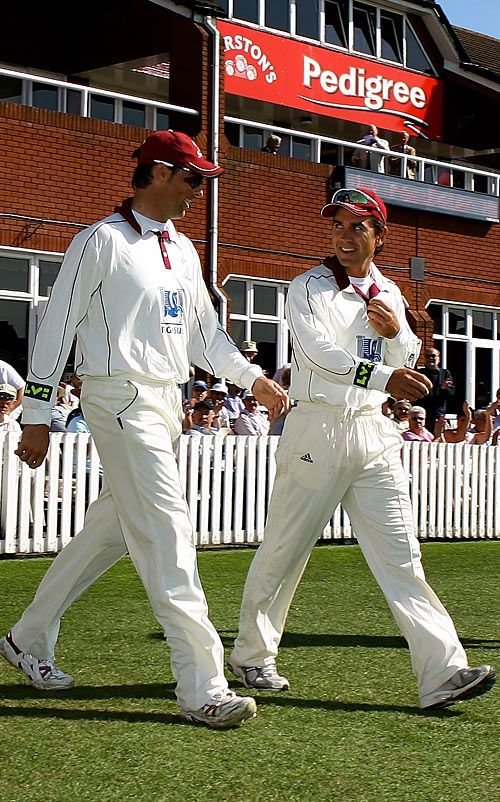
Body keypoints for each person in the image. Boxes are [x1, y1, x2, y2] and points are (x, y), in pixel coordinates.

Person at [0, 129, 287, 730]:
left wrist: (251, 379)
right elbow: (54, 330)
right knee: (168, 537)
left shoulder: (182, 249)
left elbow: (207, 336)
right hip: (116, 397)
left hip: (165, 402)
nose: (199, 190)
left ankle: (26, 637)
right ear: (158, 172)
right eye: (193, 179)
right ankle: (202, 684)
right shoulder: (99, 241)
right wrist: (36, 414)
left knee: (108, 532)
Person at [229, 186, 495, 710]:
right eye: (338, 226)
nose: (345, 237)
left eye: (358, 227)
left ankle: (442, 672)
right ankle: (252, 654)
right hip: (317, 428)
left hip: (372, 432)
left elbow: (410, 354)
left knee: (403, 558)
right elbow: (317, 353)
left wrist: (397, 336)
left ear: (379, 236)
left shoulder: (391, 292)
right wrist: (383, 373)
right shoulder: (307, 287)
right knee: (285, 549)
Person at [414, 348, 455, 436]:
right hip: (421, 415)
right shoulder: (419, 373)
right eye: (427, 356)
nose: (430, 358)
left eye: (433, 356)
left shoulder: (445, 373)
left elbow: (451, 395)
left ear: (438, 358)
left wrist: (444, 389)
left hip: (438, 415)